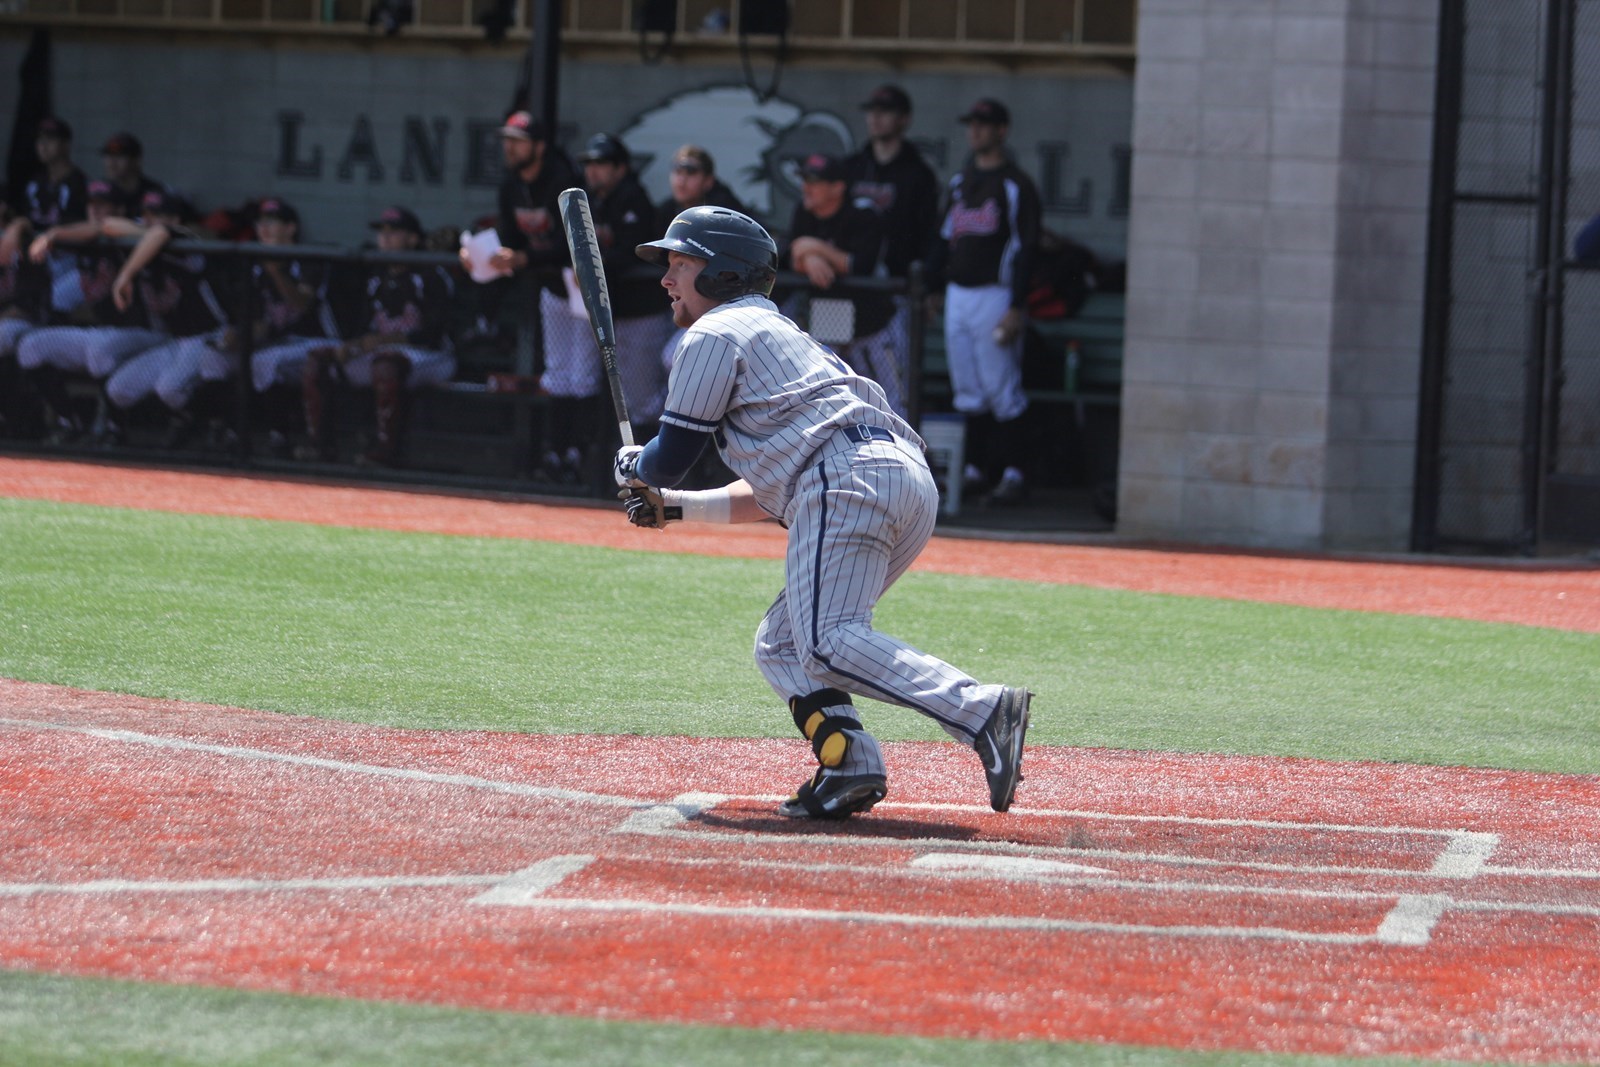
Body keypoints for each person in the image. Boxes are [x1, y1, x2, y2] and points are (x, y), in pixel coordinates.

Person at [614, 205, 1031, 820]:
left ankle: (982, 710)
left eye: (681, 263)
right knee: (783, 644)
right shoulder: (773, 334)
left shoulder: (713, 333)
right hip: (890, 479)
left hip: (848, 479)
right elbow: (774, 484)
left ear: (722, 273)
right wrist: (674, 511)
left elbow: (669, 457)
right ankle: (850, 763)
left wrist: (634, 468)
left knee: (828, 642)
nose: (667, 279)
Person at [926, 97, 1042, 505]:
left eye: (984, 123)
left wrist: (1017, 305)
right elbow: (945, 241)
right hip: (959, 293)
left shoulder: (1016, 184)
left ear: (1001, 130)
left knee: (1000, 385)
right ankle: (976, 468)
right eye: (972, 123)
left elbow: (1028, 248)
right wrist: (933, 287)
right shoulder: (961, 182)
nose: (975, 130)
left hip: (996, 293)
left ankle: (1015, 471)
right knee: (968, 388)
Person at [473, 109, 584, 480]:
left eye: (518, 141)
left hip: (580, 285)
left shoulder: (563, 180)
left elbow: (575, 240)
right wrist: (477, 250)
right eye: (507, 141)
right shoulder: (510, 186)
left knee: (582, 375)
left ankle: (578, 456)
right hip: (550, 288)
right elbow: (511, 237)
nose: (510, 148)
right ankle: (554, 455)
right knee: (557, 373)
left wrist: (526, 257)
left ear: (538, 146)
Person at [298, 205, 454, 467]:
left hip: (433, 357)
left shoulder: (431, 275)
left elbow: (434, 334)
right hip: (385, 357)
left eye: (394, 232)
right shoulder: (375, 277)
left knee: (386, 366)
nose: (386, 238)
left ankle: (387, 451)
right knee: (320, 361)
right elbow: (362, 327)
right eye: (382, 232)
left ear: (413, 239)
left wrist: (384, 341)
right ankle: (320, 446)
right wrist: (354, 344)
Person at [17, 180, 160, 442]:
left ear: (119, 208)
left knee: (100, 350)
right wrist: (48, 234)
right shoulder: (84, 242)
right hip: (103, 332)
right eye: (92, 205)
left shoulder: (131, 236)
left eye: (103, 205)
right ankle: (68, 420)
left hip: (146, 333)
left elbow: (104, 227)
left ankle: (114, 428)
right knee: (31, 346)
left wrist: (54, 234)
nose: (96, 210)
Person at [102, 189, 234, 448]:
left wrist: (125, 275)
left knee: (169, 389)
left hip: (210, 335)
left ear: (175, 218)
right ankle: (189, 419)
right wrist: (143, 231)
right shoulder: (146, 240)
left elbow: (161, 234)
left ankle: (216, 422)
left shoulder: (185, 238)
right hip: (176, 341)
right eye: (147, 213)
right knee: (118, 388)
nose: (152, 219)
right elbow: (107, 225)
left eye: (160, 214)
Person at [843, 84, 939, 418]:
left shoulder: (918, 174)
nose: (876, 118)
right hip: (850, 293)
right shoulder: (853, 167)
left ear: (904, 119)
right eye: (872, 111)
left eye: (885, 111)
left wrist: (928, 287)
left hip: (896, 294)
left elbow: (930, 235)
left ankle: (898, 455)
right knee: (844, 379)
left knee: (894, 385)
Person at [782, 152, 901, 413]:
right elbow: (790, 256)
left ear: (837, 187)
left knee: (891, 402)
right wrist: (810, 258)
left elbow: (859, 266)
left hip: (874, 322)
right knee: (838, 400)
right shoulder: (805, 211)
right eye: (805, 180)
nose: (806, 187)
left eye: (814, 181)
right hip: (831, 311)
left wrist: (811, 247)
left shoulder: (863, 213)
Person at [229, 198, 339, 455]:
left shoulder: (310, 259)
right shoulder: (255, 265)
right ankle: (230, 431)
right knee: (221, 358)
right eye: (260, 222)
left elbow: (301, 305)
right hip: (281, 343)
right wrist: (242, 335)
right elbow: (259, 320)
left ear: (290, 228)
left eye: (272, 222)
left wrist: (276, 272)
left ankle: (280, 435)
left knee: (265, 360)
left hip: (319, 340)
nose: (264, 228)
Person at [0, 116, 90, 361]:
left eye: (51, 140)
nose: (43, 146)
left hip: (68, 260)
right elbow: (25, 219)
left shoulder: (78, 182)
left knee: (54, 298)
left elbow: (79, 225)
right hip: (39, 261)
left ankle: (48, 342)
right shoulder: (35, 183)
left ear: (65, 145)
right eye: (40, 140)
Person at [100, 132, 166, 209]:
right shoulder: (99, 191)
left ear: (136, 160)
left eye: (119, 156)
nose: (111, 162)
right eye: (108, 156)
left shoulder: (155, 193)